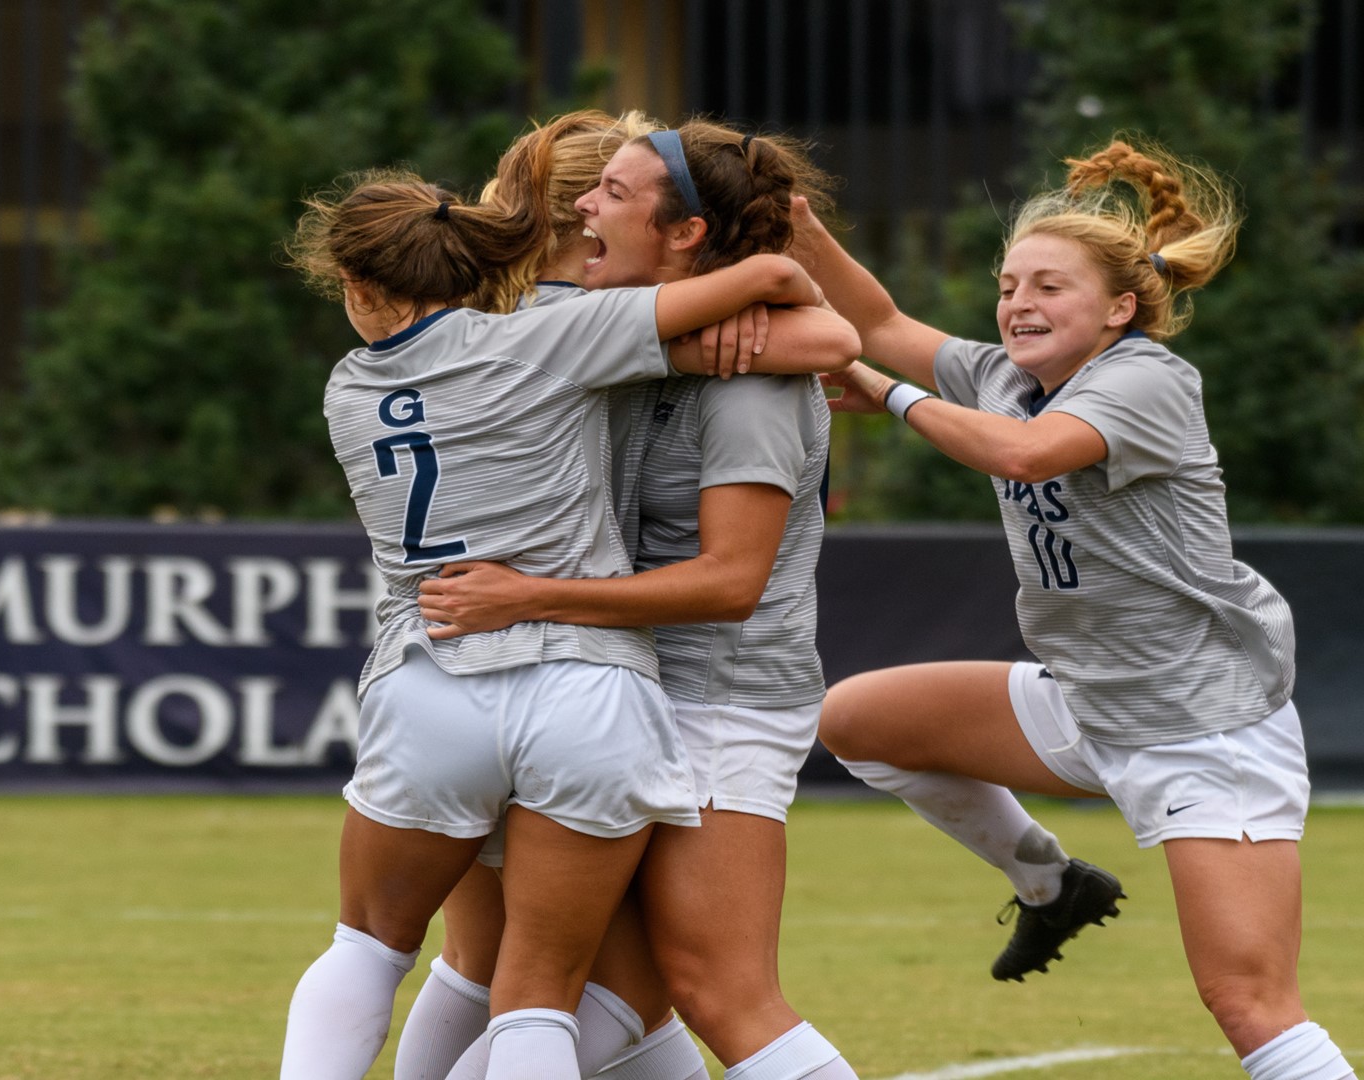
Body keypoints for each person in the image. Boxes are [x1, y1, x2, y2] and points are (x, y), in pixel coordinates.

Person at [793, 139, 1356, 1080]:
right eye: (1010, 285)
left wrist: (882, 392)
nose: (1019, 303)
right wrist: (801, 230)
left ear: (1121, 309)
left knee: (1248, 1002)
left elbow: (1023, 455)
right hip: (1094, 702)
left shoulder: (1148, 379)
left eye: (1050, 286)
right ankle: (1049, 884)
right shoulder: (1010, 376)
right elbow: (882, 318)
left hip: (1201, 729)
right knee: (857, 723)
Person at [278, 148, 831, 1080]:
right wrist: (750, 316)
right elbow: (807, 322)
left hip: (433, 674)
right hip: (590, 689)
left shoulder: (346, 389)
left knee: (371, 944)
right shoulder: (550, 339)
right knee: (539, 994)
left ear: (351, 281)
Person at [415, 119, 862, 1080]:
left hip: (719, 698)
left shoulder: (757, 378)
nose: (583, 208)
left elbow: (731, 584)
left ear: (688, 233)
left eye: (613, 194)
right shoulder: (628, 330)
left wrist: (528, 597)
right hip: (617, 687)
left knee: (716, 990)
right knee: (582, 985)